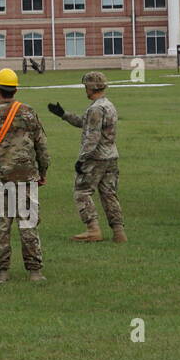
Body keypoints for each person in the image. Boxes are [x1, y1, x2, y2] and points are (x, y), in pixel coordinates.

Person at [0, 68, 49, 283]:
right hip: (27, 177)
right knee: (28, 223)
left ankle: (2, 271)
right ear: (15, 90)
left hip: (0, 179)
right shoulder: (29, 112)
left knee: (2, 224)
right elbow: (42, 146)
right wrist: (42, 172)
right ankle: (35, 271)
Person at [49, 71, 126, 243]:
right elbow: (83, 122)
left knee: (82, 192)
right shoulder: (108, 105)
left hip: (96, 158)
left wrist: (82, 159)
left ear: (92, 87)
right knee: (109, 194)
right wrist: (63, 114)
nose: (85, 90)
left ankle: (93, 230)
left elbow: (92, 137)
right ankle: (119, 233)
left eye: (86, 87)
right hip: (111, 156)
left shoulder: (96, 109)